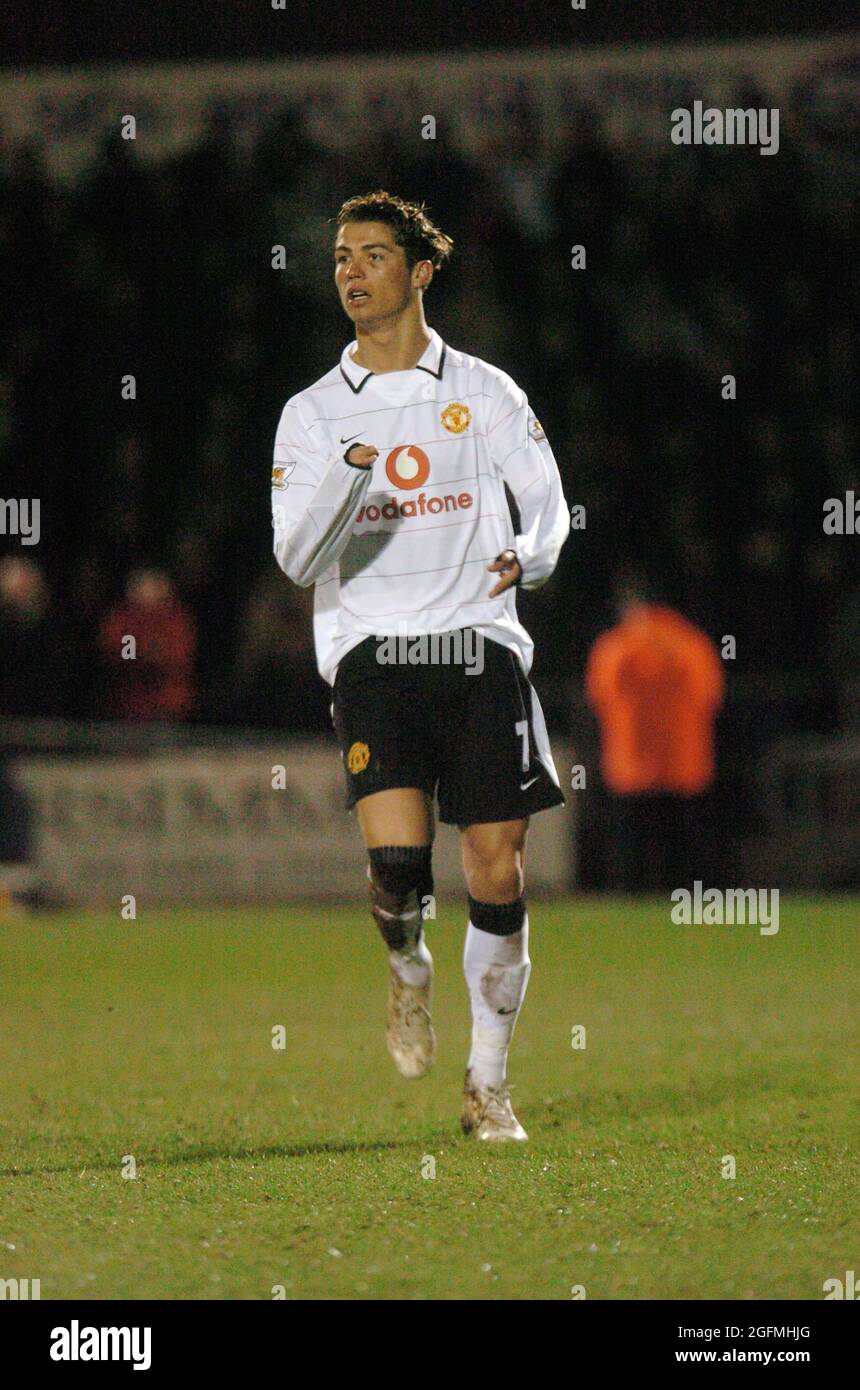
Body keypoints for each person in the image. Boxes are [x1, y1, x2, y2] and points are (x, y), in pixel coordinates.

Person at [271, 191, 570, 1141]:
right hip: (376, 656)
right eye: (340, 257)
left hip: (480, 646)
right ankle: (408, 968)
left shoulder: (485, 390)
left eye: (371, 254)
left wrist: (530, 556)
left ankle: (488, 1084)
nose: (351, 272)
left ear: (421, 271)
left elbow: (549, 506)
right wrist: (350, 473)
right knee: (399, 871)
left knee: (496, 862)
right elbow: (296, 558)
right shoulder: (313, 413)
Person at [585, 581, 724, 891]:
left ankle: (629, 892)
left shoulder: (617, 645)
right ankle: (688, 893)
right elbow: (710, 696)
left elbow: (600, 695)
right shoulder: (693, 644)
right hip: (684, 763)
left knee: (631, 845)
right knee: (684, 844)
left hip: (631, 763)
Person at [99, 569, 196, 721]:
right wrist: (142, 653)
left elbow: (180, 655)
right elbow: (120, 652)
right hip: (127, 703)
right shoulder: (124, 619)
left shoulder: (175, 619)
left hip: (166, 705)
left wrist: (159, 655)